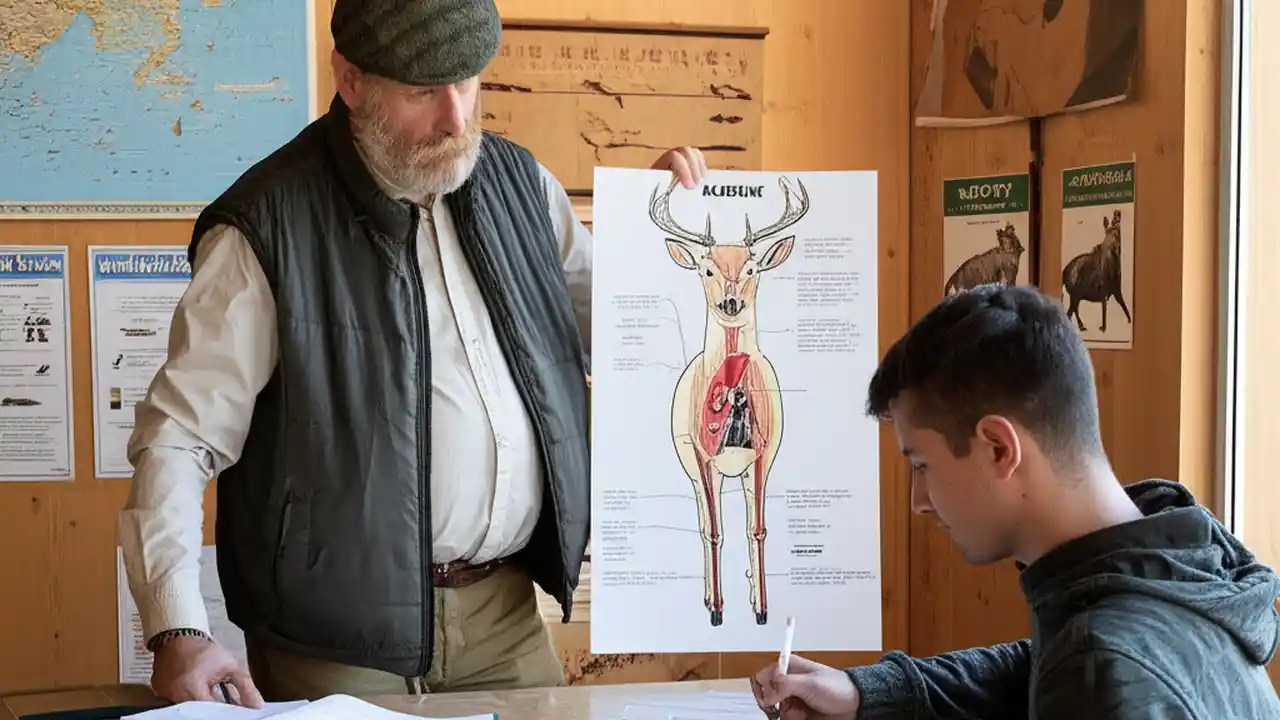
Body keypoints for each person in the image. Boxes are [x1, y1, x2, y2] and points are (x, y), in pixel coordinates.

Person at [118, 0, 708, 706]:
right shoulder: (266, 228)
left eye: (466, 82)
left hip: (508, 617)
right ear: (351, 80)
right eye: (423, 91)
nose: (456, 118)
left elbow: (629, 332)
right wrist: (177, 629)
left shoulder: (525, 188)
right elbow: (179, 440)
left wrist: (662, 223)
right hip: (335, 641)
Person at [752, 284, 1280, 719]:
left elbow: (1087, 667)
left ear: (999, 448)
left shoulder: (1104, 666)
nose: (919, 501)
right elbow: (1033, 667)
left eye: (922, 466)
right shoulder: (1165, 574)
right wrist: (868, 694)